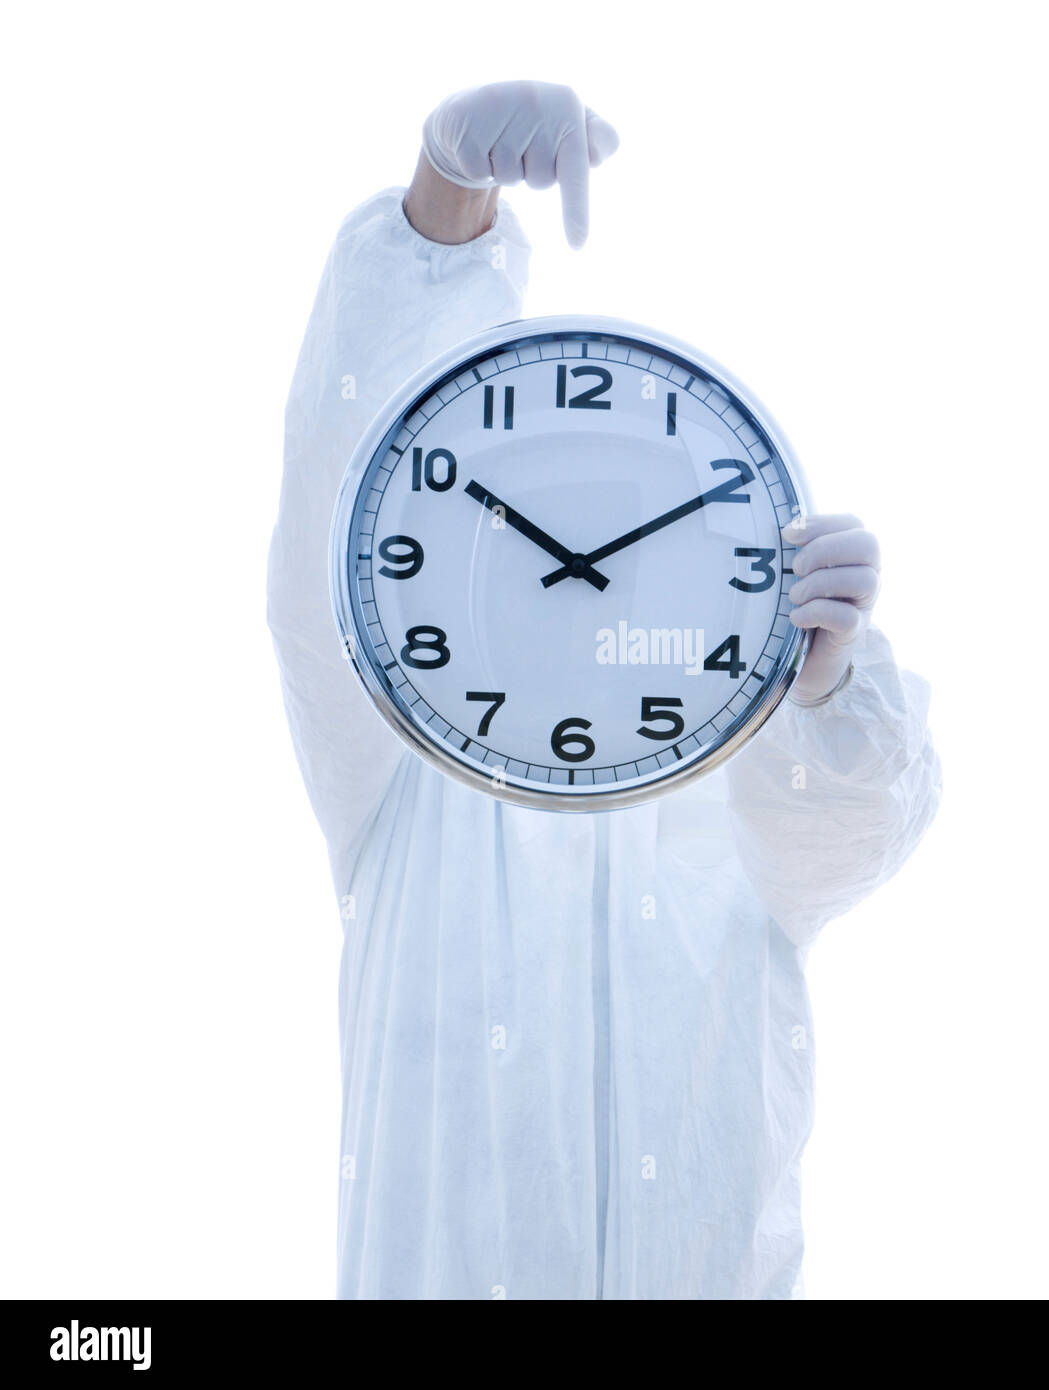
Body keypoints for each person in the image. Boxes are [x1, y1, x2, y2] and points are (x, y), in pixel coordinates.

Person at [268, 80, 941, 1300]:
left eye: (629, 543)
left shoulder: (743, 805)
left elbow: (852, 827)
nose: (578, 579)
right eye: (541, 537)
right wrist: (441, 212)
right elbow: (338, 480)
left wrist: (826, 692)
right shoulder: (398, 787)